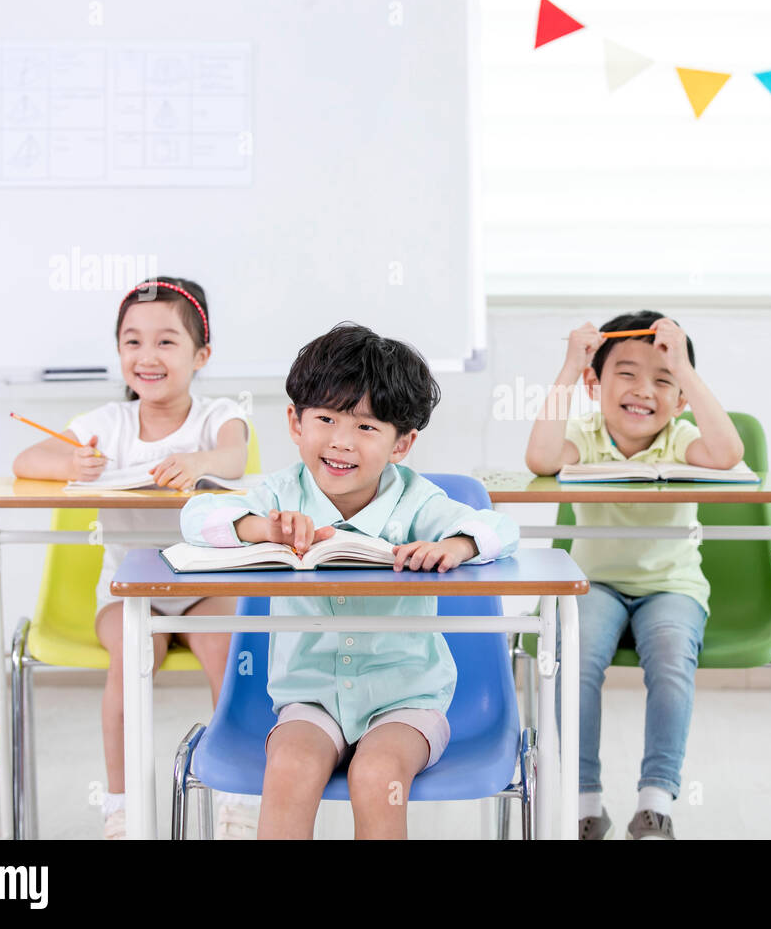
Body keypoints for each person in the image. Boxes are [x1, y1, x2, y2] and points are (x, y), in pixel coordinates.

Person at [181, 322, 519, 839]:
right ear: (295, 422)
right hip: (309, 697)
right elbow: (196, 517)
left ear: (401, 443)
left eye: (366, 427)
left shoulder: (417, 501)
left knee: (377, 774)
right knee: (290, 769)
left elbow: (499, 528)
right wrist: (260, 528)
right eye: (325, 418)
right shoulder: (279, 493)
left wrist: (454, 546)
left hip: (408, 700)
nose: (341, 442)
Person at [13, 277, 250, 838]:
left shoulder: (218, 415)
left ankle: (234, 792)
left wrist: (198, 463)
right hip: (128, 591)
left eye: (166, 342)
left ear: (201, 355)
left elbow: (235, 456)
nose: (148, 356)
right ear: (120, 352)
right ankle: (120, 803)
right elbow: (28, 456)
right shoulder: (106, 424)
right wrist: (70, 465)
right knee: (131, 658)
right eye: (132, 341)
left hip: (205, 584)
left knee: (229, 654)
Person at [525, 310, 744, 839]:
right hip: (597, 584)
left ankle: (655, 802)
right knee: (577, 663)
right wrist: (567, 367)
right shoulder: (585, 434)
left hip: (672, 588)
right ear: (594, 383)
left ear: (682, 398)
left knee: (671, 663)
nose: (644, 390)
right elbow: (539, 457)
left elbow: (729, 454)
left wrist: (686, 370)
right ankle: (585, 802)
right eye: (626, 373)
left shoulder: (680, 438)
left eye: (664, 379)